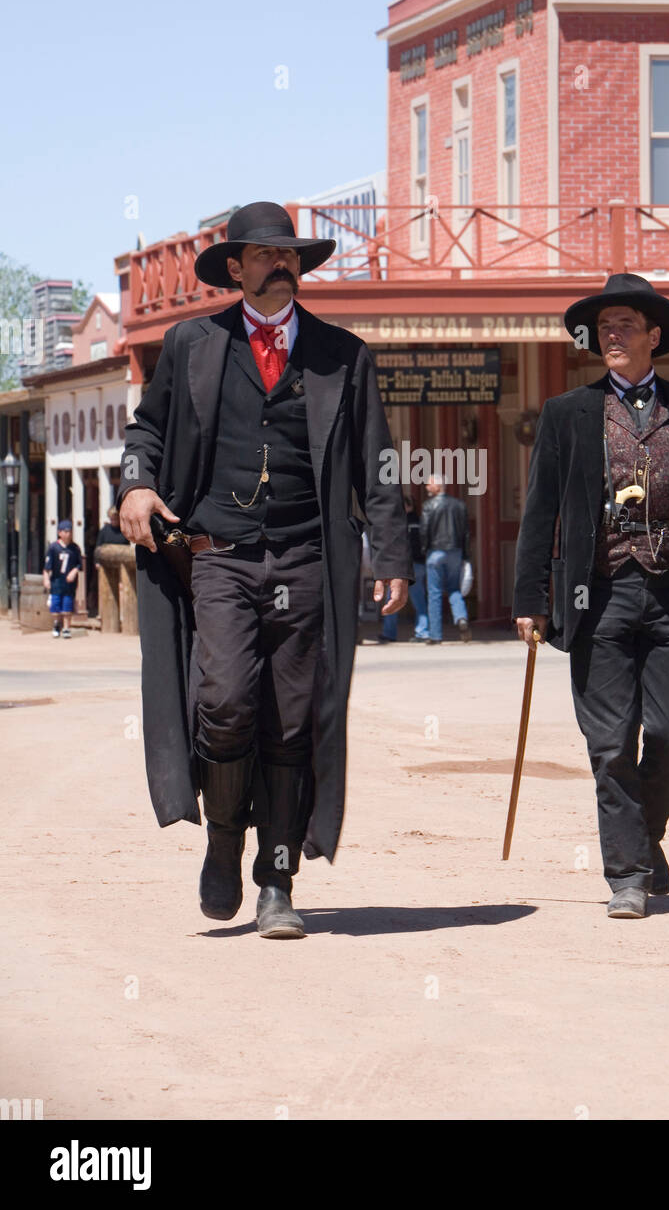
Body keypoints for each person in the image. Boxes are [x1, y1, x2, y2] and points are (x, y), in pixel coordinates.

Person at [118, 201, 411, 939]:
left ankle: (276, 883)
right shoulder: (192, 344)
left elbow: (377, 462)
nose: (280, 266)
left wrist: (392, 550)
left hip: (308, 558)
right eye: (264, 256)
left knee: (290, 724)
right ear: (238, 268)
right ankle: (223, 839)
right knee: (223, 700)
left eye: (290, 257)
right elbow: (145, 430)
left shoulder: (343, 354)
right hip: (219, 555)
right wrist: (135, 483)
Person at [512, 273, 669, 919]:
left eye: (623, 326)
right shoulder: (567, 413)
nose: (610, 336)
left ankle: (645, 836)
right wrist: (530, 596)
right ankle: (627, 877)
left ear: (653, 336)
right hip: (599, 596)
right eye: (604, 327)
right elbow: (541, 513)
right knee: (611, 743)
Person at [420, 475, 471, 644]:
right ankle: (461, 617)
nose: (426, 487)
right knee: (454, 589)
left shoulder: (428, 506)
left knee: (434, 592)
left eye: (429, 484)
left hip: (435, 551)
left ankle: (435, 635)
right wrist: (466, 554)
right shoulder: (459, 505)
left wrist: (423, 550)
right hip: (455, 552)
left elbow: (424, 531)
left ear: (438, 486)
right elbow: (466, 532)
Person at [43, 519, 81, 639]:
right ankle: (56, 625)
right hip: (56, 580)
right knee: (55, 604)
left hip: (69, 582)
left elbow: (79, 564)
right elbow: (47, 566)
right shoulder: (54, 547)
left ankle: (66, 628)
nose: (68, 534)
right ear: (59, 532)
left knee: (67, 605)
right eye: (65, 531)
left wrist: (74, 572)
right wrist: (46, 579)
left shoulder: (75, 548)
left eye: (70, 531)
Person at [404, 492, 429, 642]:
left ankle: (389, 632)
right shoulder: (421, 521)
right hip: (420, 563)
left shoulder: (402, 522)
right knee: (420, 599)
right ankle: (422, 630)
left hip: (407, 564)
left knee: (389, 599)